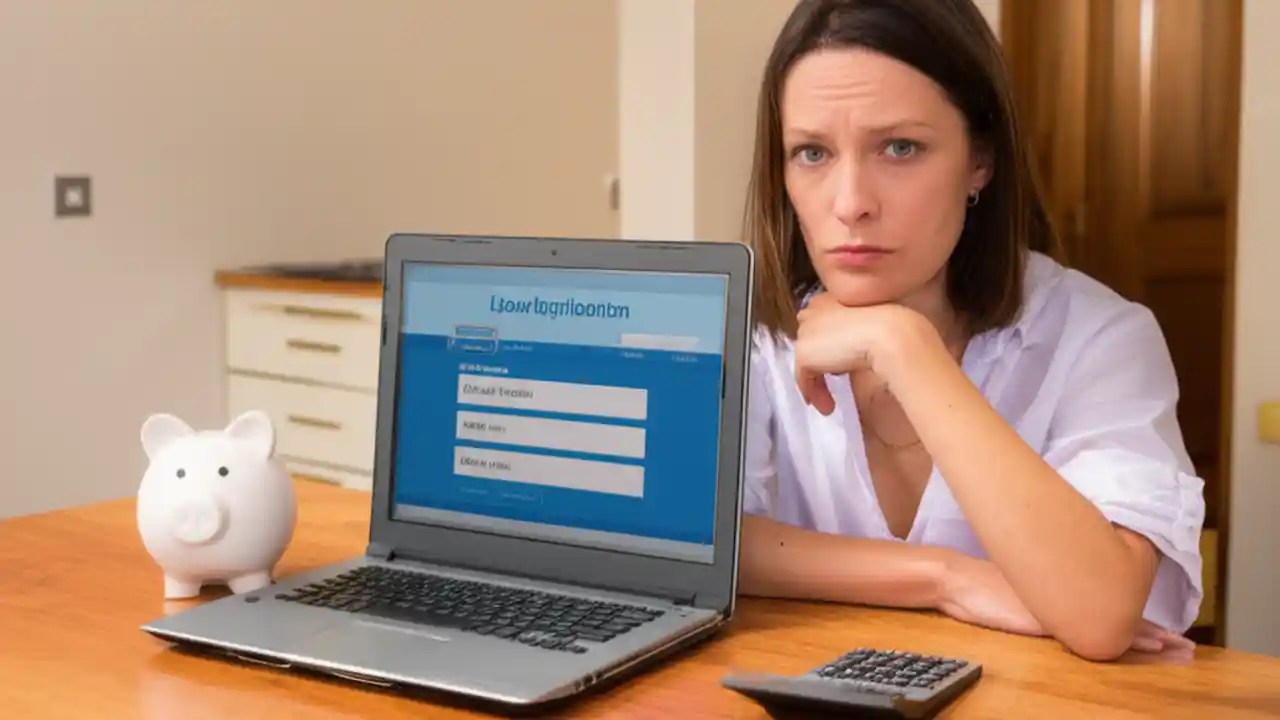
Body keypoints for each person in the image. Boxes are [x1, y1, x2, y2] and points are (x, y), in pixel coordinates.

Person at [738, 0, 1204, 662]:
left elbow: (1098, 612)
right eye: (811, 152)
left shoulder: (1101, 338)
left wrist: (907, 350)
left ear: (979, 159)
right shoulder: (756, 335)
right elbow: (704, 548)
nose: (849, 204)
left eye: (900, 148)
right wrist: (945, 577)